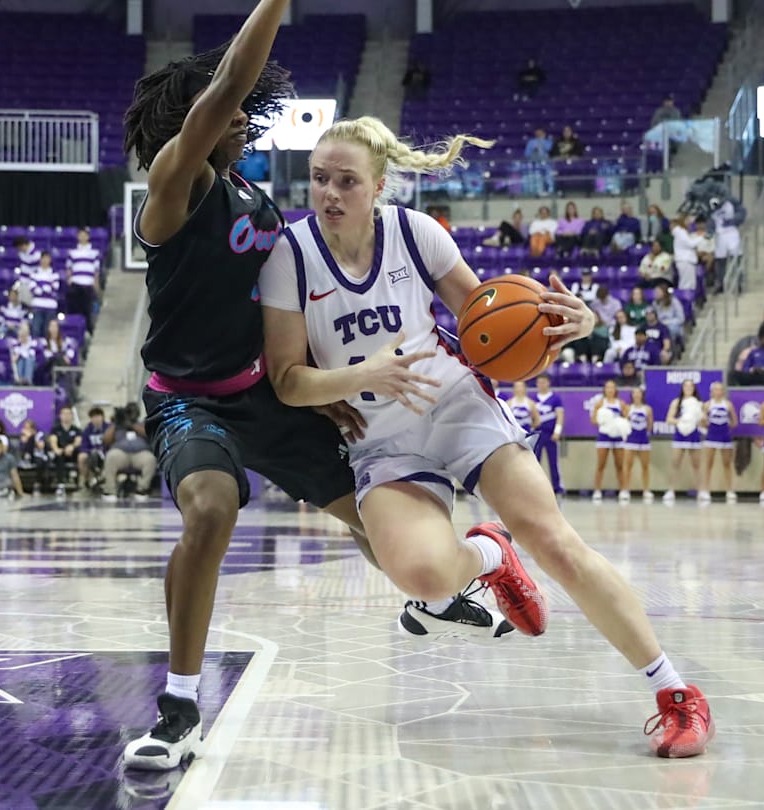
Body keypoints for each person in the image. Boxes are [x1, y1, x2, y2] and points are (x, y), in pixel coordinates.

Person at [118, 4, 504, 769]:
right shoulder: (171, 186)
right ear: (203, 116)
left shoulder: (254, 196)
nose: (245, 118)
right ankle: (179, 707)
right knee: (213, 509)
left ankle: (434, 595)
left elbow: (279, 313)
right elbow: (229, 83)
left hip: (266, 390)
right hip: (189, 398)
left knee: (374, 515)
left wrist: (312, 382)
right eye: (233, 111)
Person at [258, 113, 714, 760]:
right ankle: (489, 558)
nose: (330, 193)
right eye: (320, 179)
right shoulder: (290, 255)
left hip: (453, 405)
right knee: (423, 576)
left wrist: (567, 326)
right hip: (381, 439)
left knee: (554, 539)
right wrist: (363, 375)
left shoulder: (416, 235)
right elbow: (286, 380)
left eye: (347, 182)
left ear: (380, 186)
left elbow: (493, 330)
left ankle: (676, 694)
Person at [103, 404, 158, 500]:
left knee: (150, 459)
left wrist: (132, 426)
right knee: (111, 456)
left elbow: (148, 434)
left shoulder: (142, 423)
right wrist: (116, 423)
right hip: (121, 453)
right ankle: (110, 490)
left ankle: (142, 489)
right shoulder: (118, 425)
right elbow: (106, 440)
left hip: (140, 454)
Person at [591, 379, 627, 500]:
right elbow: (593, 420)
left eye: (612, 387)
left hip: (617, 437)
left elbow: (627, 418)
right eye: (608, 387)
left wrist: (618, 424)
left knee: (620, 465)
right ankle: (597, 491)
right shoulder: (600, 403)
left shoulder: (620, 403)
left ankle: (623, 490)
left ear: (615, 390)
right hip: (604, 436)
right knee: (601, 464)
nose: (610, 390)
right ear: (604, 390)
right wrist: (604, 421)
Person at [620, 386, 653, 502]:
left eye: (639, 393)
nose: (637, 395)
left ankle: (646, 490)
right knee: (627, 466)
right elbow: (624, 423)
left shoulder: (647, 409)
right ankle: (625, 490)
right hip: (630, 440)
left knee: (645, 466)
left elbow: (650, 425)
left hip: (643, 440)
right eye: (635, 393)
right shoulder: (628, 408)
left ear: (642, 395)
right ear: (632, 395)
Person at [66, 228, 103, 331]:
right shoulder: (72, 252)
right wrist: (69, 280)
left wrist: (96, 286)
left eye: (84, 235)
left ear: (88, 236)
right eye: (80, 234)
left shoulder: (94, 253)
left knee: (87, 311)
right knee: (75, 311)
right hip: (76, 284)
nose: (82, 237)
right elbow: (69, 269)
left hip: (88, 285)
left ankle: (87, 332)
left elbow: (96, 271)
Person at [533, 373, 564, 495]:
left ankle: (557, 487)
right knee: (536, 462)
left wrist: (557, 431)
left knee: (554, 462)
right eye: (539, 382)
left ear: (548, 383)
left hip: (551, 434)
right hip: (538, 434)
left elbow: (560, 416)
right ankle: (535, 487)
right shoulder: (533, 399)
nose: (541, 385)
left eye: (544, 382)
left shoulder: (555, 398)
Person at [48, 407, 84, 495]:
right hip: (61, 452)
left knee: (81, 456)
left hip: (72, 452)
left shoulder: (76, 429)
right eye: (64, 414)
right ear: (60, 416)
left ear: (72, 416)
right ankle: (60, 485)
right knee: (58, 456)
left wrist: (72, 446)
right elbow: (53, 440)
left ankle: (81, 483)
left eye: (68, 414)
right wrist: (56, 449)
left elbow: (78, 440)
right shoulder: (56, 429)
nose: (66, 416)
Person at [77, 406, 110, 491]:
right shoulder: (87, 430)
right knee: (82, 457)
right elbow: (83, 446)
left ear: (102, 417)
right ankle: (85, 480)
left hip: (106, 452)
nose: (96, 419)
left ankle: (106, 481)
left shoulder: (109, 428)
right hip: (91, 453)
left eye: (98, 416)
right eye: (93, 417)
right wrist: (90, 451)